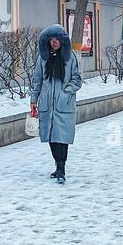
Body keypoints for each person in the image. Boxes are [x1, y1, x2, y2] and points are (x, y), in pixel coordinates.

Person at [30, 24, 83, 183]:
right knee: (51, 137)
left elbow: (77, 80)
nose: (54, 43)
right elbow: (37, 80)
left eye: (57, 40)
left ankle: (61, 168)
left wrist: (66, 92)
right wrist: (34, 99)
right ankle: (57, 165)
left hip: (64, 104)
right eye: (51, 40)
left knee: (62, 138)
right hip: (47, 103)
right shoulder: (43, 58)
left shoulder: (70, 58)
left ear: (62, 41)